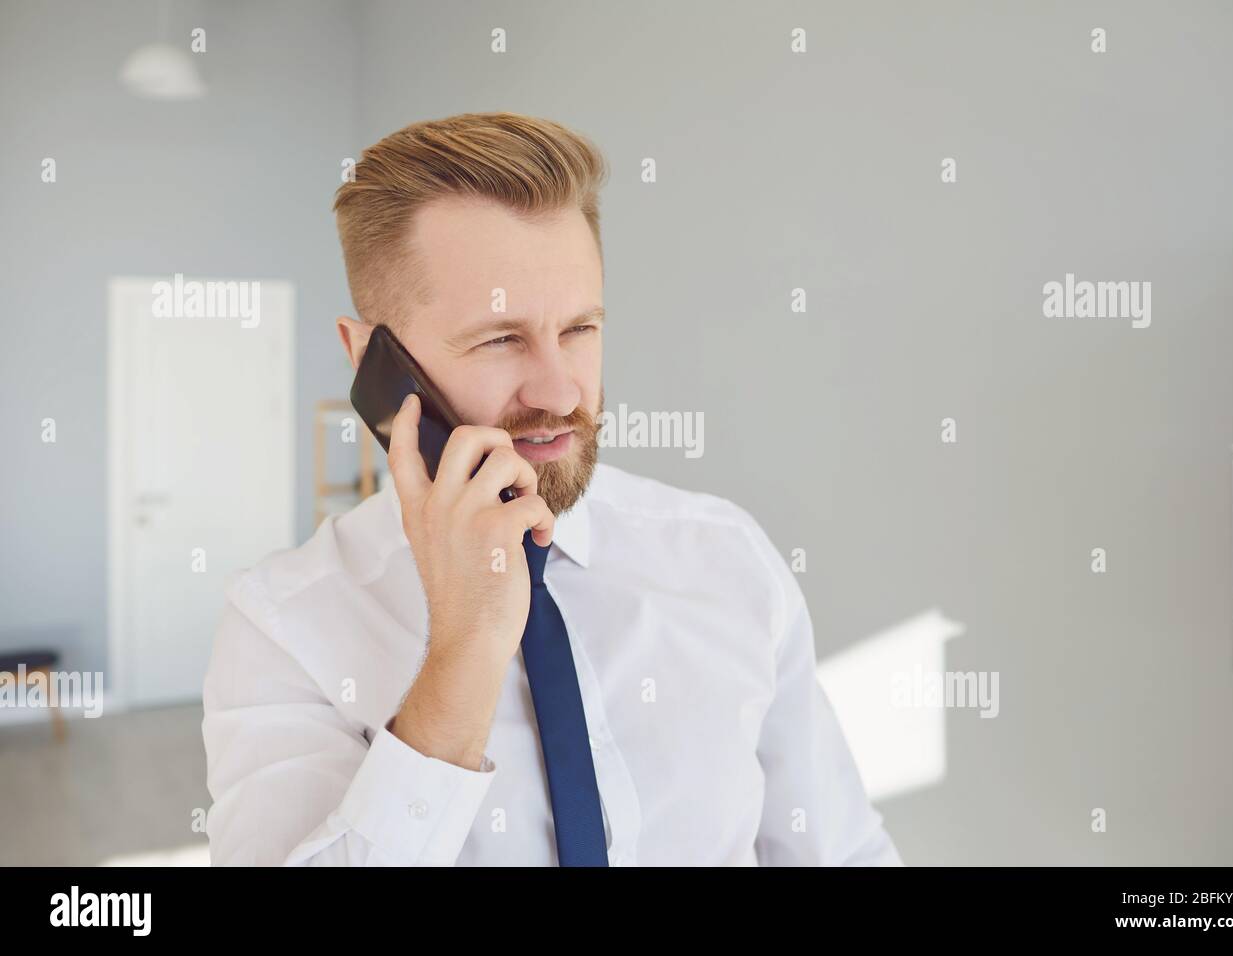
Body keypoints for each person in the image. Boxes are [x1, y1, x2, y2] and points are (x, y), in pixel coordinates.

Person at [202, 112, 902, 866]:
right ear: (375, 363)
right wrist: (466, 651)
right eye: (501, 339)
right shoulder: (285, 627)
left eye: (579, 329)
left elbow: (843, 851)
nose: (562, 389)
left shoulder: (725, 557)